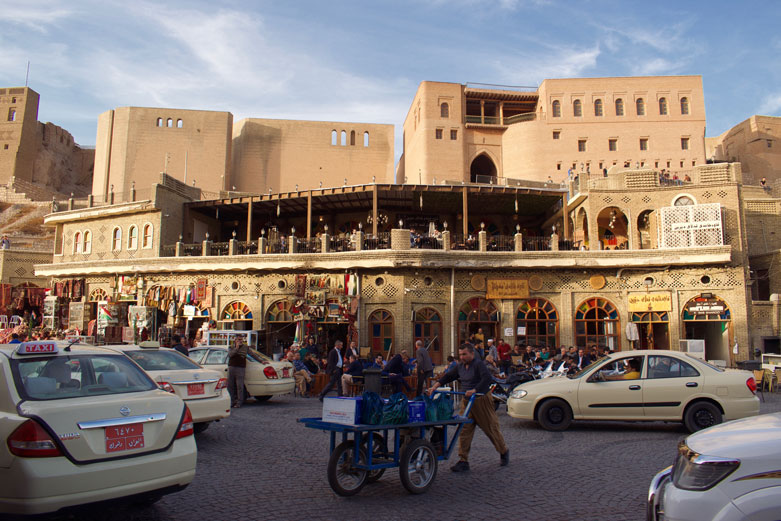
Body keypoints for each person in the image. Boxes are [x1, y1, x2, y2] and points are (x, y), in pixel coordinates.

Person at [428, 343, 509, 472]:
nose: (462, 357)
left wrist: (475, 389)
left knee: (491, 429)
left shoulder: (479, 364)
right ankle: (463, 460)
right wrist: (435, 386)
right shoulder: (460, 366)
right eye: (460, 354)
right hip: (466, 402)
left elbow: (487, 378)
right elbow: (449, 376)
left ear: (472, 353)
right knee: (464, 431)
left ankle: (503, 451)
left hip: (480, 399)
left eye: (464, 354)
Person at [227, 337, 248, 408]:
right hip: (232, 367)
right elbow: (230, 355)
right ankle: (231, 401)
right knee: (230, 385)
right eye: (238, 340)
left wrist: (262, 361)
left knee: (240, 386)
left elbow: (253, 354)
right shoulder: (231, 347)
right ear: (235, 341)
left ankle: (239, 402)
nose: (240, 341)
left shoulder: (245, 347)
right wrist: (236, 348)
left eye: (241, 339)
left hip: (240, 368)